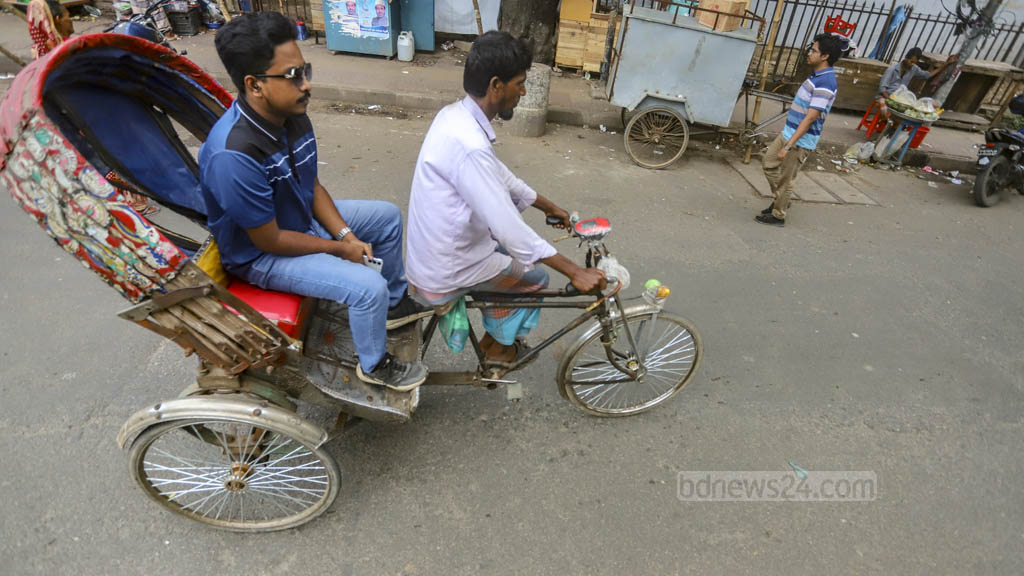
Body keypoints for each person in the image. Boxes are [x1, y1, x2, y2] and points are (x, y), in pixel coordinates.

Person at [199, 12, 431, 392]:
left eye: (305, 70)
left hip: (298, 220)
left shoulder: (289, 113)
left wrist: (345, 233)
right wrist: (341, 248)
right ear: (254, 85)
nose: (306, 85)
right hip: (261, 256)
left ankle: (392, 306)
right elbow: (270, 241)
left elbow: (312, 185)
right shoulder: (234, 155)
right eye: (293, 76)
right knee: (364, 287)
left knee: (387, 218)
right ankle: (373, 366)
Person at [405, 31, 606, 368]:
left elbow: (502, 178)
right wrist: (574, 271)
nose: (524, 91)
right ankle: (497, 348)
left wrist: (549, 207)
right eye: (520, 83)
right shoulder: (469, 145)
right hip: (448, 267)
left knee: (514, 259)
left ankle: (494, 335)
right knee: (536, 277)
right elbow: (510, 230)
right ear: (496, 86)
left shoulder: (455, 116)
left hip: (441, 253)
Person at [755, 33, 843, 227]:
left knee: (787, 179)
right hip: (790, 132)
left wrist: (789, 144)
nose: (809, 53)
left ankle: (778, 215)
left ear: (825, 56)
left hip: (799, 140)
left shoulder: (826, 82)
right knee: (769, 163)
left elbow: (811, 117)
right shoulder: (818, 75)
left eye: (814, 50)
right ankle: (782, 199)